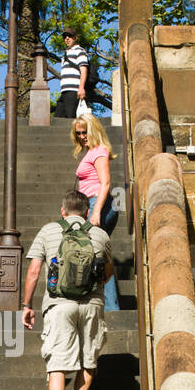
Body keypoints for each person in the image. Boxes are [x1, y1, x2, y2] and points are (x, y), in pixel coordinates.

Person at [22, 189, 111, 390]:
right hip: (91, 305)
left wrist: (26, 305)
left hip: (58, 306)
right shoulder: (100, 234)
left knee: (58, 365)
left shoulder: (49, 231)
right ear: (86, 212)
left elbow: (34, 271)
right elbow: (107, 274)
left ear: (63, 211)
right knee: (89, 357)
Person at [71, 114, 120, 310]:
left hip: (97, 204)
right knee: (96, 254)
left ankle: (109, 307)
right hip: (90, 205)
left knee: (96, 255)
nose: (82, 136)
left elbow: (105, 182)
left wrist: (96, 211)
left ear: (94, 130)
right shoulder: (91, 151)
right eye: (79, 133)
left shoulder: (99, 151)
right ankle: (103, 305)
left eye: (85, 132)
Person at [53, 27, 89, 117]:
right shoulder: (65, 55)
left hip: (74, 91)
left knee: (71, 120)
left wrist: (81, 88)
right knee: (58, 120)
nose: (67, 38)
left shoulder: (80, 51)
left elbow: (84, 70)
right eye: (65, 37)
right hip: (64, 92)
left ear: (75, 38)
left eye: (69, 36)